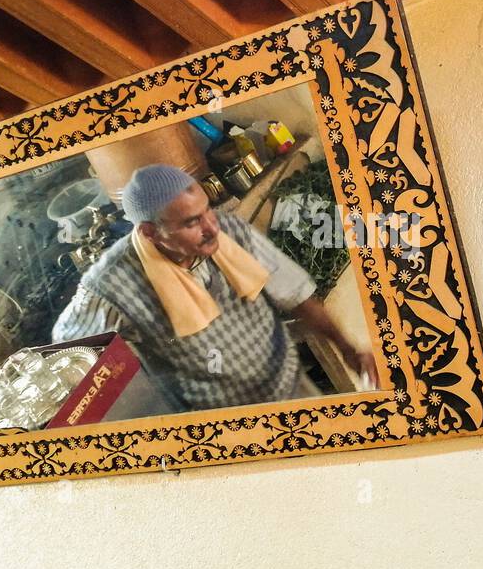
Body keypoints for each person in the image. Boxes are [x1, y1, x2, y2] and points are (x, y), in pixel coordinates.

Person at [53, 164, 377, 414]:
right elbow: (66, 352)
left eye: (207, 210)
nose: (211, 227)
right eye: (191, 222)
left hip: (289, 384)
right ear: (151, 232)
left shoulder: (230, 231)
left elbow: (296, 295)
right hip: (223, 422)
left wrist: (348, 348)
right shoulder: (112, 283)